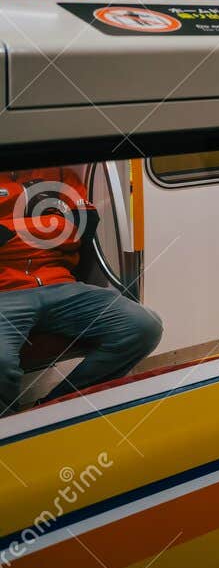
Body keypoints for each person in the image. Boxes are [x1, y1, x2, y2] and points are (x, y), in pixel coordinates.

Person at [0, 166, 162, 412]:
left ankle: (56, 408)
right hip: (5, 293)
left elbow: (81, 226)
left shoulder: (62, 175)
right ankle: (11, 426)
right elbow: (64, 228)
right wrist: (51, 225)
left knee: (144, 326)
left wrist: (11, 231)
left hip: (61, 284)